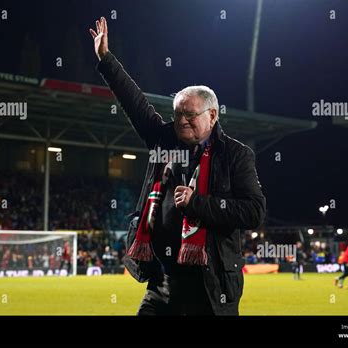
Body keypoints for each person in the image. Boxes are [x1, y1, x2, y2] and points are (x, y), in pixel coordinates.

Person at [90, 17, 266, 315]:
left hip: (210, 288)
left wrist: (198, 204)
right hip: (162, 283)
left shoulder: (235, 155)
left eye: (190, 115)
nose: (181, 121)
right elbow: (135, 103)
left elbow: (253, 212)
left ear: (212, 116)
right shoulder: (164, 140)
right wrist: (106, 59)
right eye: (177, 114)